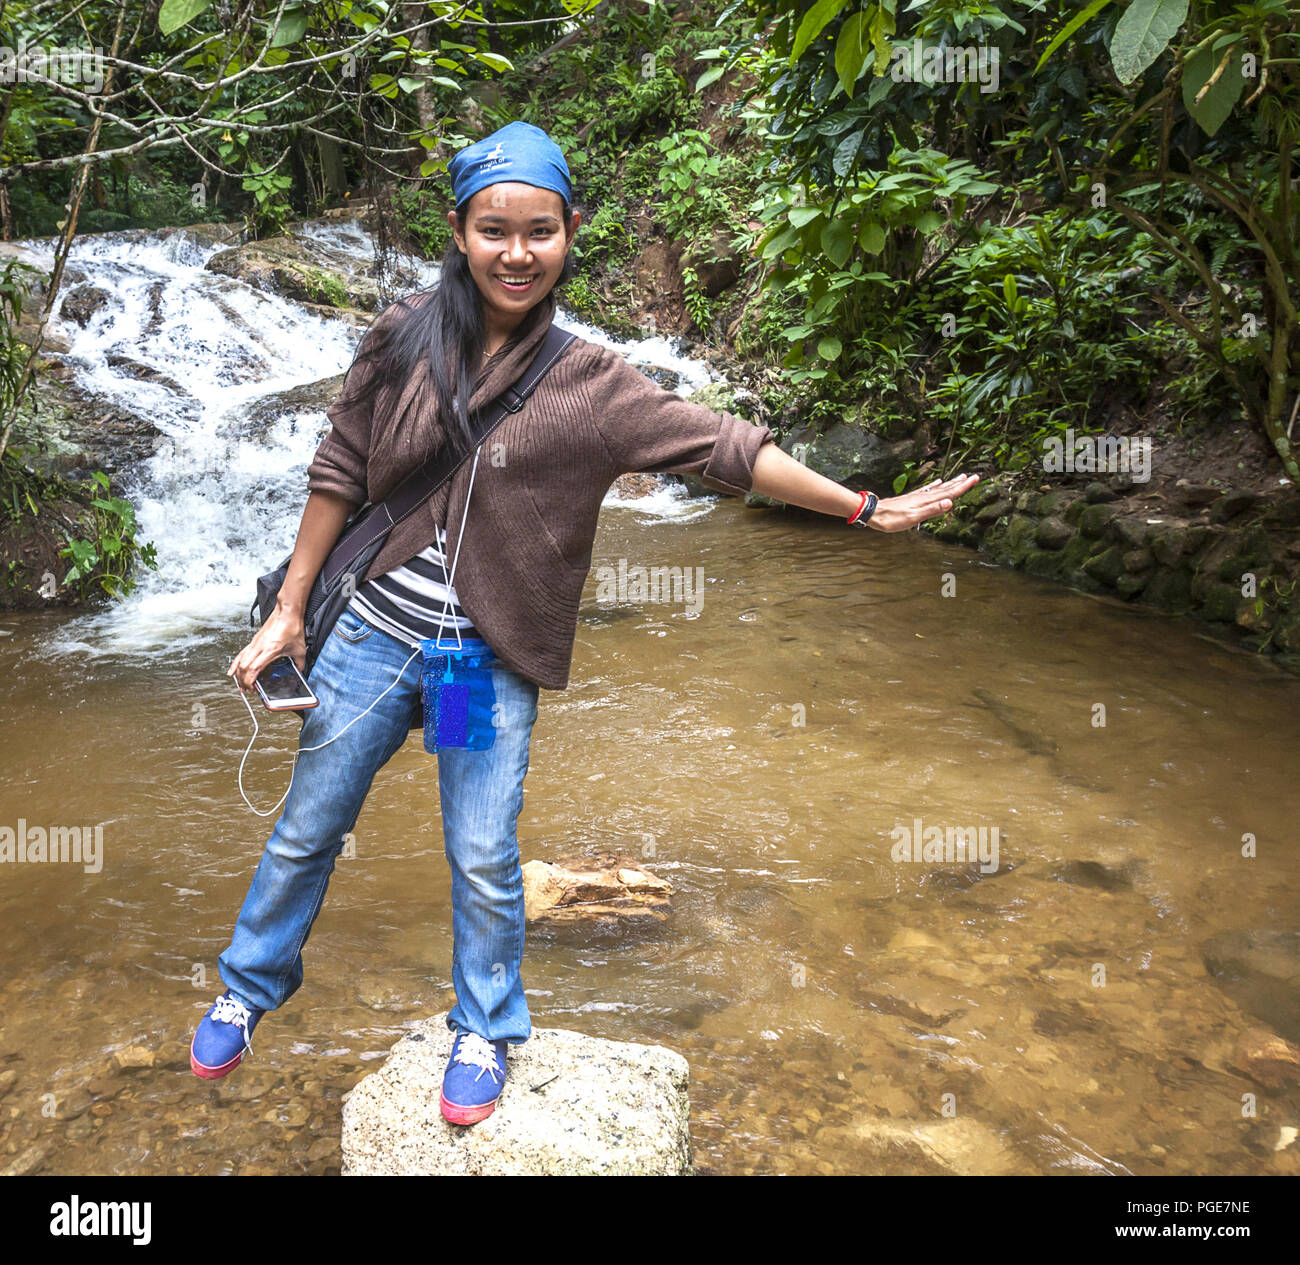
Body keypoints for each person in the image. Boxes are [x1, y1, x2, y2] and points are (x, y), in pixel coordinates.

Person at [192, 119, 979, 1125]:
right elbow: (339, 468)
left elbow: (725, 450)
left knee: (481, 851)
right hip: (371, 643)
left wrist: (866, 506)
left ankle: (484, 1027)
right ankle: (249, 988)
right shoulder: (399, 336)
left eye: (538, 230)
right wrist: (292, 608)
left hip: (474, 661)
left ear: (570, 233)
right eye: (493, 229)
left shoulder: (593, 383)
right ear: (459, 232)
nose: (515, 252)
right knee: (309, 826)